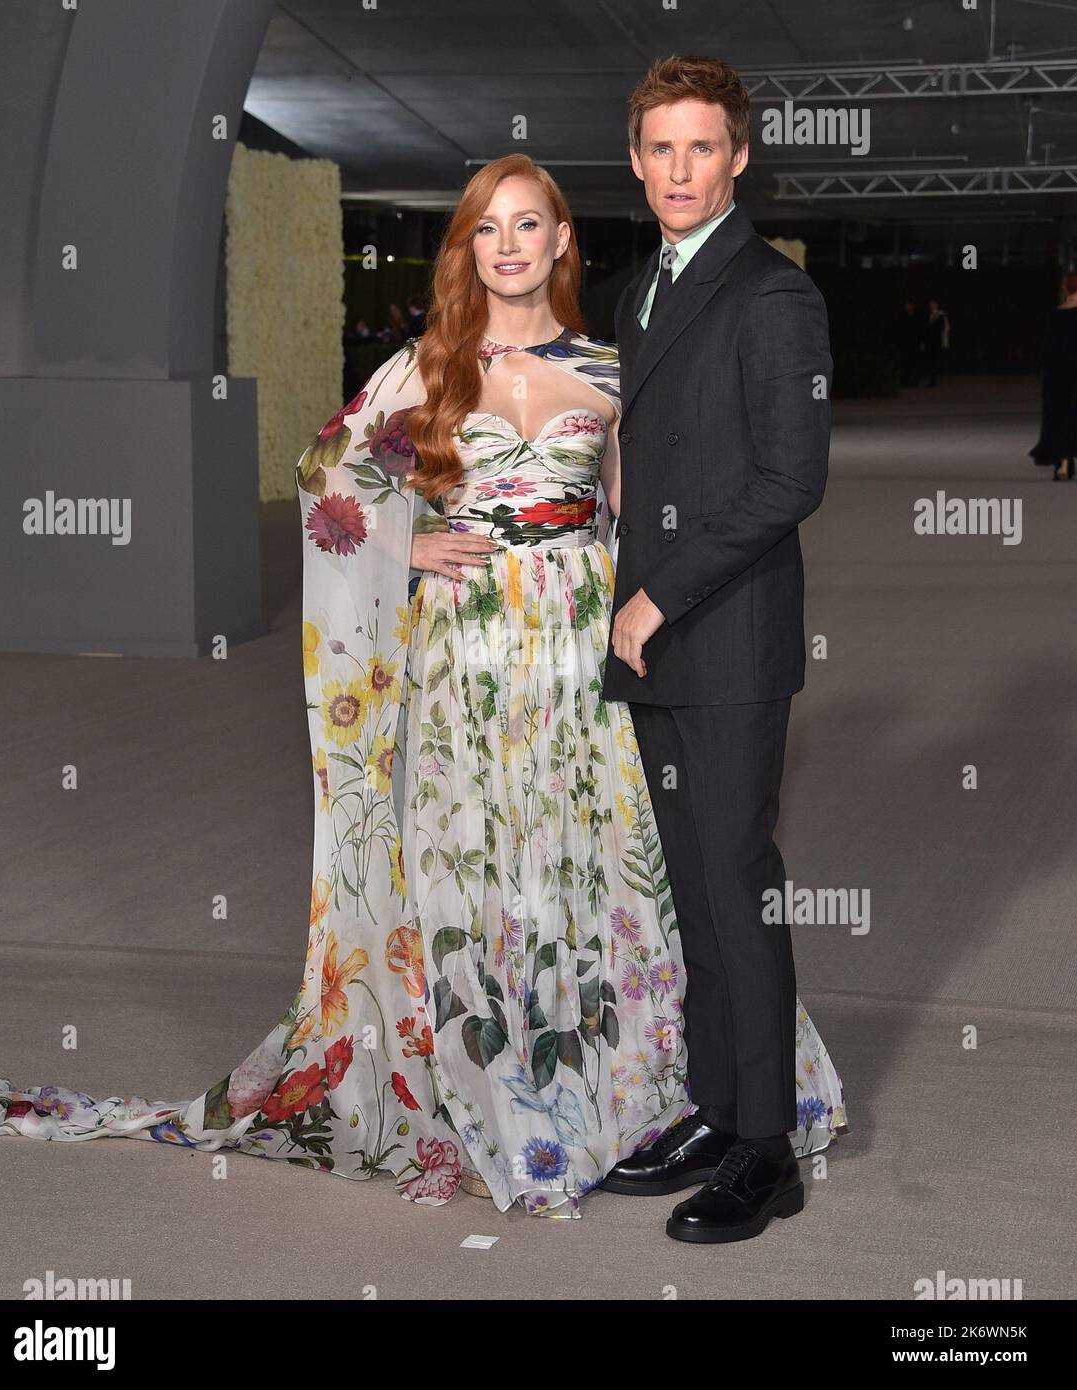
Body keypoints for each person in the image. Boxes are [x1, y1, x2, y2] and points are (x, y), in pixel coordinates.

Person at [0, 154, 845, 1221]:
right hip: (464, 660)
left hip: (577, 655)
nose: (510, 246)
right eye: (488, 229)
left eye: (530, 225)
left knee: (597, 858)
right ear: (467, 249)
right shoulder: (425, 369)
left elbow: (640, 516)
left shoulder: (617, 372)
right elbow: (324, 475)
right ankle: (496, 1090)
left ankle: (649, 1086)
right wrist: (407, 540)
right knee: (467, 863)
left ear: (563, 241)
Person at [599, 55, 843, 1244]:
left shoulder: (775, 294)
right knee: (693, 887)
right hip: (654, 645)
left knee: (741, 886)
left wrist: (654, 597)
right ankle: (714, 1105)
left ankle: (770, 1147)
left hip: (727, 641)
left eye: (703, 148)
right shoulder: (641, 285)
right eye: (660, 149)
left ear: (739, 156)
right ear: (637, 159)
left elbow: (789, 480)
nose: (680, 170)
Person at [1029, 270, 1077, 481]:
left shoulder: (1056, 315)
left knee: (1061, 417)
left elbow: (1048, 352)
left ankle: (1063, 462)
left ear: (1065, 288)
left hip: (1060, 376)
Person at [921, 296, 950, 386]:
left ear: (937, 305)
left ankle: (933, 381)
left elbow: (942, 328)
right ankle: (931, 380)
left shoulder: (941, 315)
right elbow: (924, 329)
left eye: (933, 304)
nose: (931, 306)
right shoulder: (926, 315)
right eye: (930, 305)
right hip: (928, 342)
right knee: (929, 361)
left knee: (935, 361)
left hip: (936, 342)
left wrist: (935, 319)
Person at [897, 299, 922, 387]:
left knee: (915, 363)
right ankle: (905, 381)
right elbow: (900, 330)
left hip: (915, 343)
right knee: (905, 363)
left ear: (912, 306)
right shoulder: (903, 317)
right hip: (905, 344)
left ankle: (915, 381)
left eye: (909, 305)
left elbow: (920, 331)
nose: (907, 307)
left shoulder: (917, 317)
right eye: (906, 306)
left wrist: (921, 342)